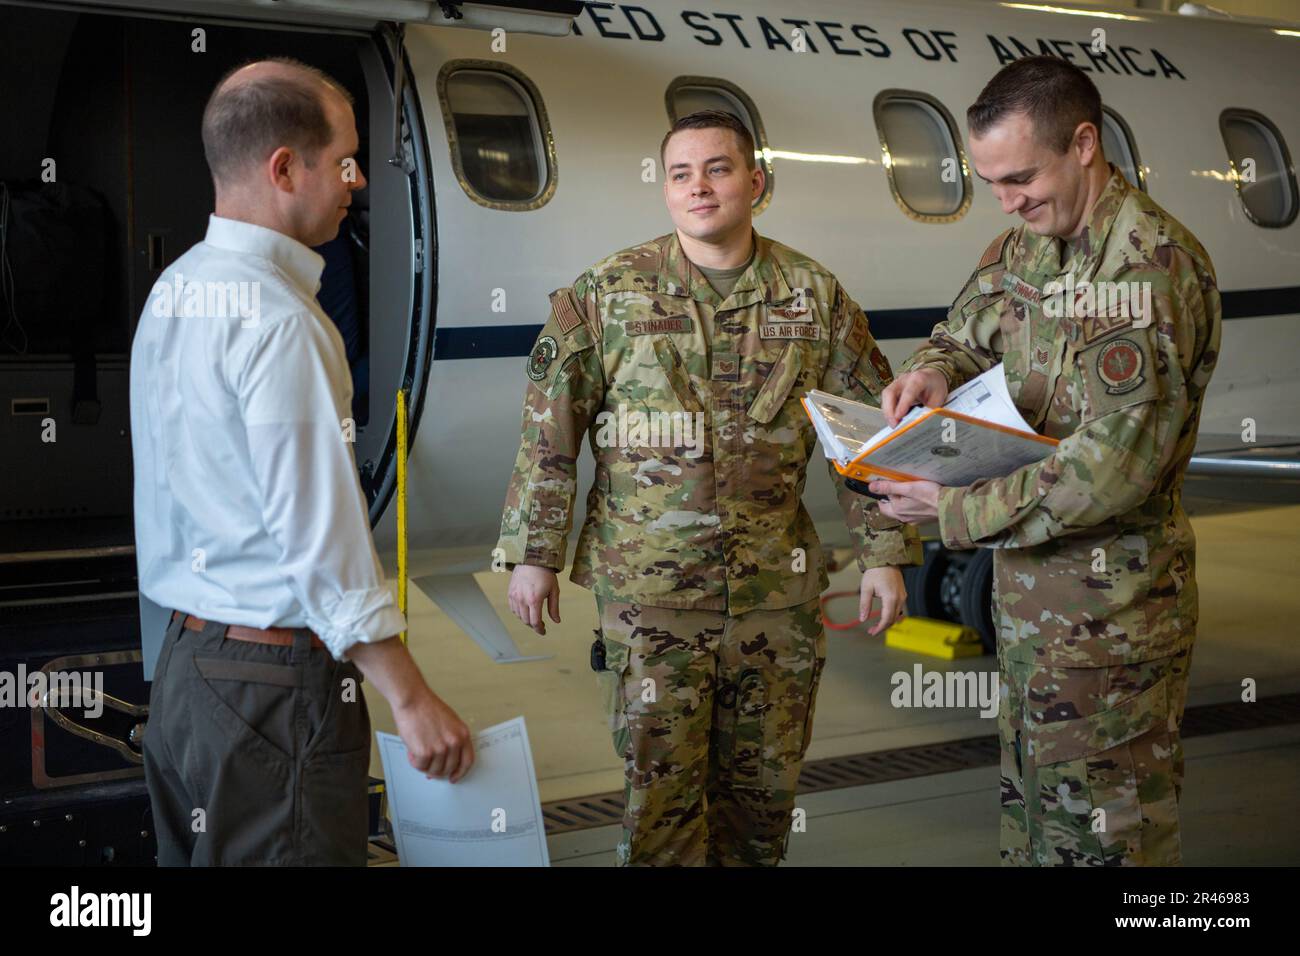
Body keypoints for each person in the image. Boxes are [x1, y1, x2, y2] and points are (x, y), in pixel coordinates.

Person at [497, 110, 920, 866]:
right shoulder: (605, 293)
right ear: (665, 189)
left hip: (775, 597)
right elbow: (549, 435)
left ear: (756, 181)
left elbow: (860, 436)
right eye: (681, 173)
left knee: (760, 812)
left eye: (718, 168)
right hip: (650, 596)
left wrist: (884, 551)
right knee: (660, 812)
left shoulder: (813, 295)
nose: (700, 187)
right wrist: (534, 553)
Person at [873, 56, 1221, 866]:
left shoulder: (1147, 270)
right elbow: (963, 330)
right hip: (1030, 608)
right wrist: (933, 369)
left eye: (1022, 177)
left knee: (1108, 840)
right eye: (992, 182)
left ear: (1085, 144)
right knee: (1036, 828)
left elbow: (1112, 468)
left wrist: (950, 511)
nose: (1008, 200)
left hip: (1113, 619)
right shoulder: (1026, 245)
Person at [131, 57, 473, 866]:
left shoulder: (178, 288)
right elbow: (318, 537)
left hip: (188, 674)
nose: (356, 181)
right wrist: (411, 696)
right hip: (274, 689)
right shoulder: (282, 320)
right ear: (286, 168)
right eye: (345, 160)